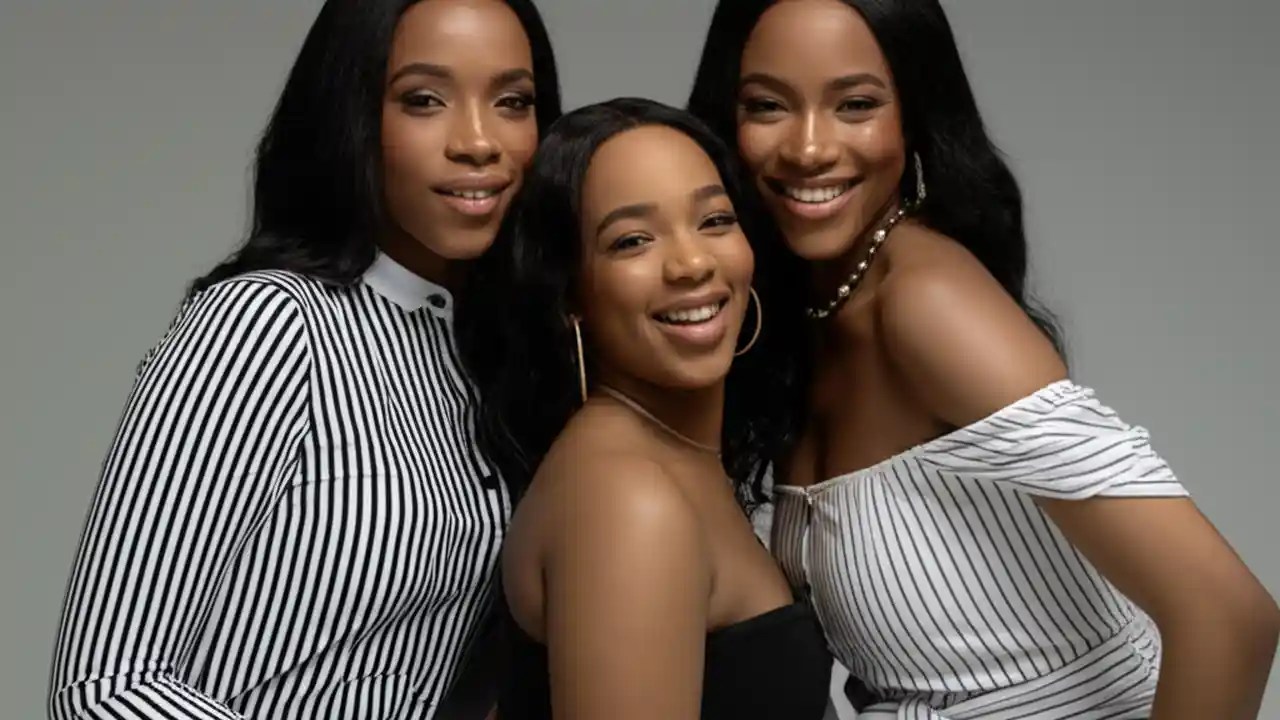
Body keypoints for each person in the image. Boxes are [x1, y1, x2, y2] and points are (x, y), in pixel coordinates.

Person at [687, 1, 1280, 718]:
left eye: (856, 104)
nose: (810, 148)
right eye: (768, 105)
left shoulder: (926, 302)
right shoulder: (802, 319)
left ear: (913, 116)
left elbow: (1227, 615)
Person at [48, 1, 561, 718]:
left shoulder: (492, 358)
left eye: (512, 101)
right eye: (424, 100)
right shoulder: (265, 323)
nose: (479, 142)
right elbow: (103, 689)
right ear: (350, 115)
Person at [455, 97, 832, 720]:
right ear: (570, 292)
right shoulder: (626, 499)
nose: (691, 264)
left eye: (713, 220)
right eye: (632, 241)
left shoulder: (671, 460)